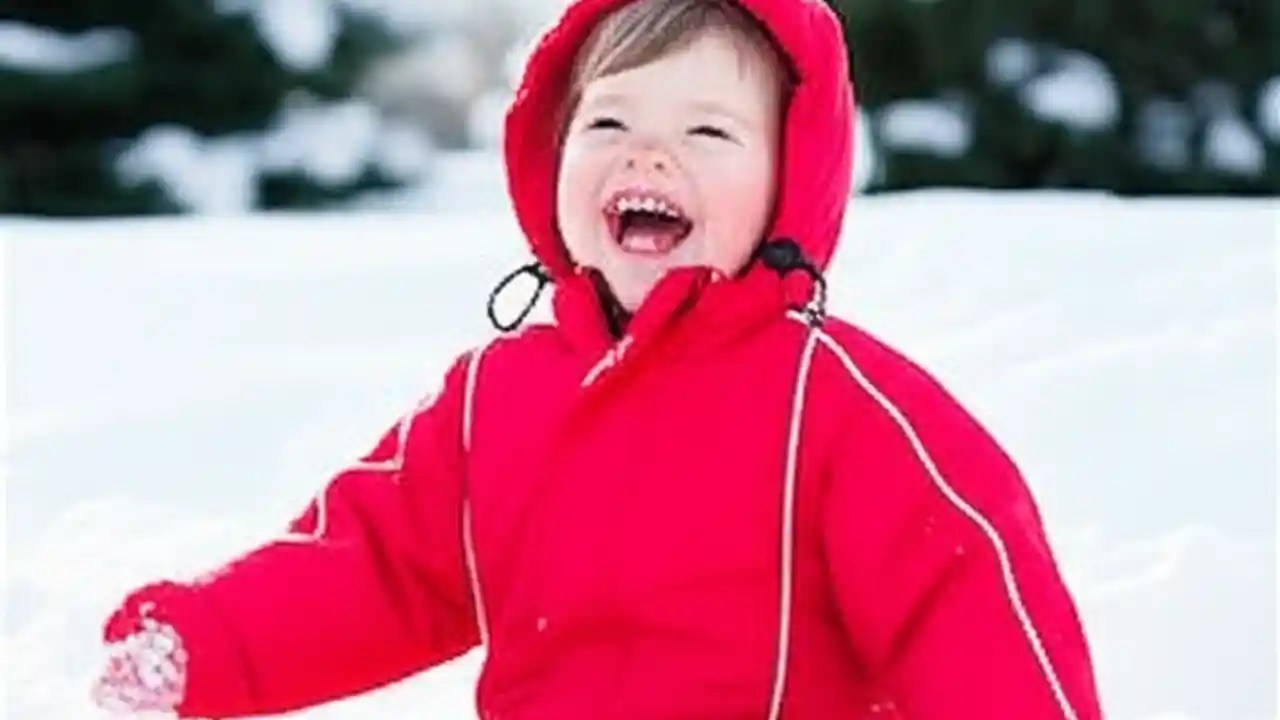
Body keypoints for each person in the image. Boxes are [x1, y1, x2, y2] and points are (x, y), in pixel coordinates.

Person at [92, 0, 1105, 717]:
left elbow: (967, 608)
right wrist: (197, 645)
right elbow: (375, 566)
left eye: (707, 131)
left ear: (789, 180)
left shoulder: (836, 407)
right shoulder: (495, 400)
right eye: (609, 120)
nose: (646, 154)